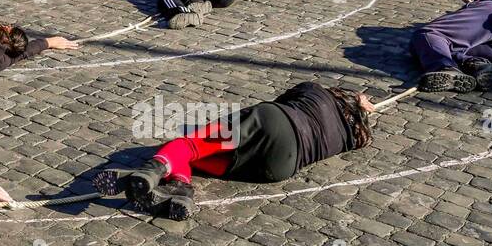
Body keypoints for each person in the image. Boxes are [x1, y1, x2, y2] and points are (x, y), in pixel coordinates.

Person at [98, 83, 374, 220]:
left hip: (271, 120)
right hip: (281, 166)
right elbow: (361, 130)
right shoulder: (348, 139)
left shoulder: (317, 92)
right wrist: (361, 111)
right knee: (194, 159)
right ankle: (180, 188)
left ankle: (152, 169)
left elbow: (281, 101)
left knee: (191, 146)